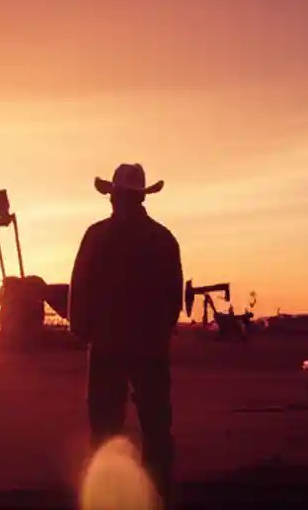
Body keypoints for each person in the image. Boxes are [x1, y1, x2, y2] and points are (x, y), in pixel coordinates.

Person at [69, 163, 183, 500]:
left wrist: (82, 329)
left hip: (106, 345)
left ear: (114, 196)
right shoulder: (163, 239)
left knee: (105, 425)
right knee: (156, 425)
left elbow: (81, 286)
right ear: (141, 197)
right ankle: (159, 493)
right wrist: (160, 332)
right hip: (150, 348)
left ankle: (106, 494)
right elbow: (173, 295)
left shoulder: (97, 235)